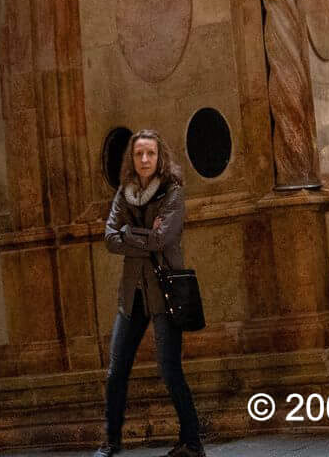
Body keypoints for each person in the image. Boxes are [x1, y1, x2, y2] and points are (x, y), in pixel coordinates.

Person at [95, 128, 206, 457]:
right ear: (132, 158)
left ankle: (192, 443)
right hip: (132, 293)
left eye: (151, 153)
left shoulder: (173, 192)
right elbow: (109, 238)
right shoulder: (123, 193)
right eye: (139, 153)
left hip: (164, 292)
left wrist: (128, 234)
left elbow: (163, 239)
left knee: (170, 370)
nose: (144, 159)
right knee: (116, 370)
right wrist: (140, 233)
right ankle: (111, 442)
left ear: (160, 158)